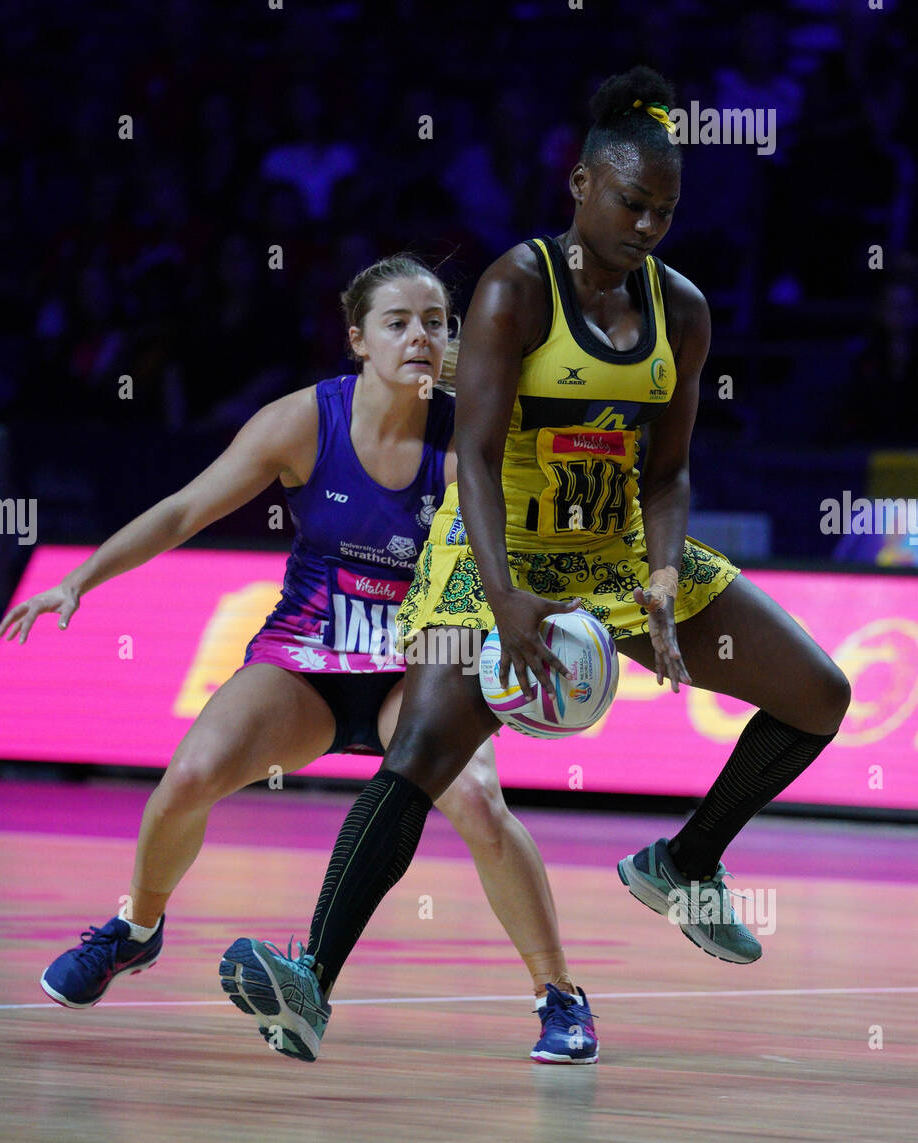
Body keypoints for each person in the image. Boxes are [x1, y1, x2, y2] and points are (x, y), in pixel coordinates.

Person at [237, 66, 851, 1062]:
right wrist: (508, 599)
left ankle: (687, 862)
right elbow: (473, 455)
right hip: (496, 554)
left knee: (819, 694)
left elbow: (672, 471)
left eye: (664, 210)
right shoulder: (515, 290)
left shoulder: (683, 312)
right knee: (425, 756)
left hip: (613, 555)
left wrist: (659, 575)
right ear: (580, 186)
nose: (648, 225)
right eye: (630, 203)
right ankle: (310, 982)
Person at [0, 254, 598, 1065]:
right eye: (397, 322)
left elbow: (563, 474)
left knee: (480, 804)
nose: (419, 336)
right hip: (306, 657)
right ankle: (135, 928)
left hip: (421, 664)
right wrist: (78, 581)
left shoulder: (468, 437)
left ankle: (559, 995)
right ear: (357, 339)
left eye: (435, 323)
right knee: (190, 776)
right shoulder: (302, 423)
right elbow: (181, 511)